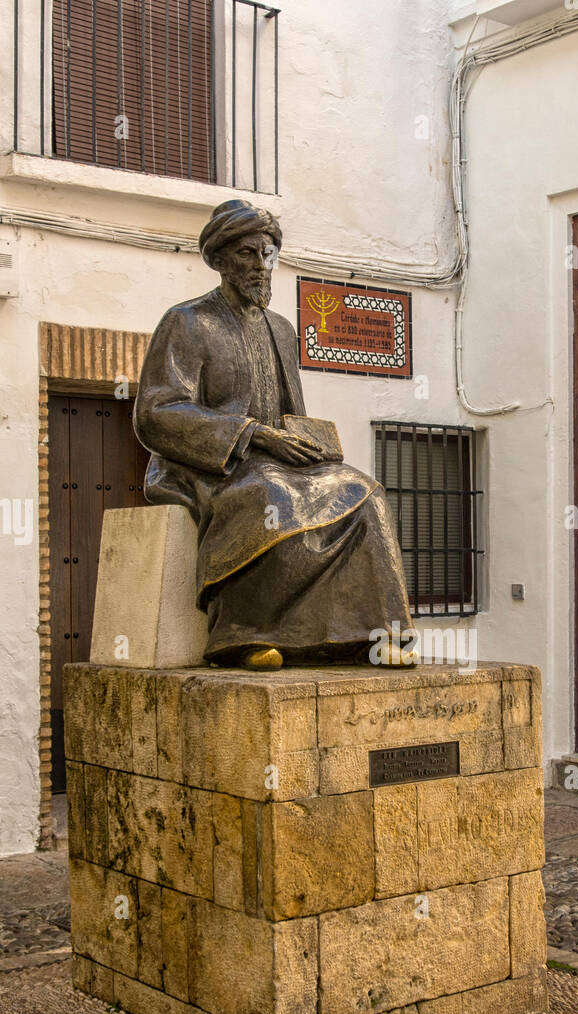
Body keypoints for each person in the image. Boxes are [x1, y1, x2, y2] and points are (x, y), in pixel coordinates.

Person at [134, 199, 415, 670]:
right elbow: (156, 413)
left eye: (268, 254)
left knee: (362, 492)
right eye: (247, 254)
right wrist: (251, 435)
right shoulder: (186, 322)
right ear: (220, 260)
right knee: (273, 496)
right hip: (213, 464)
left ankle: (373, 632)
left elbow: (291, 414)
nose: (261, 266)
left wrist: (309, 443)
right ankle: (245, 634)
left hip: (276, 458)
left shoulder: (282, 329)